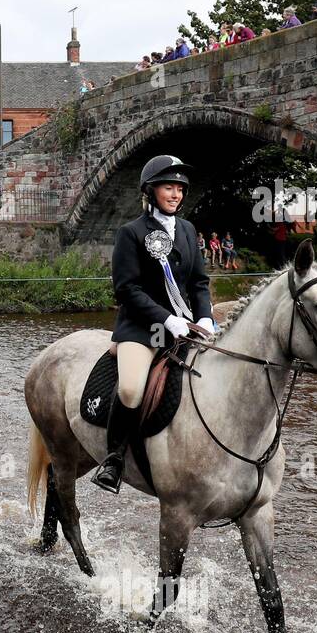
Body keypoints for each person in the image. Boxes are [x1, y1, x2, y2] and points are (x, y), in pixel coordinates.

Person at [94, 155, 215, 494]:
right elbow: (126, 289)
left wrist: (204, 315)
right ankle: (114, 460)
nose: (175, 194)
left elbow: (199, 283)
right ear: (151, 191)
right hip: (142, 329)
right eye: (168, 187)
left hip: (186, 327)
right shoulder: (131, 233)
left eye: (179, 189)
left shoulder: (188, 230)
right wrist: (166, 319)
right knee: (132, 388)